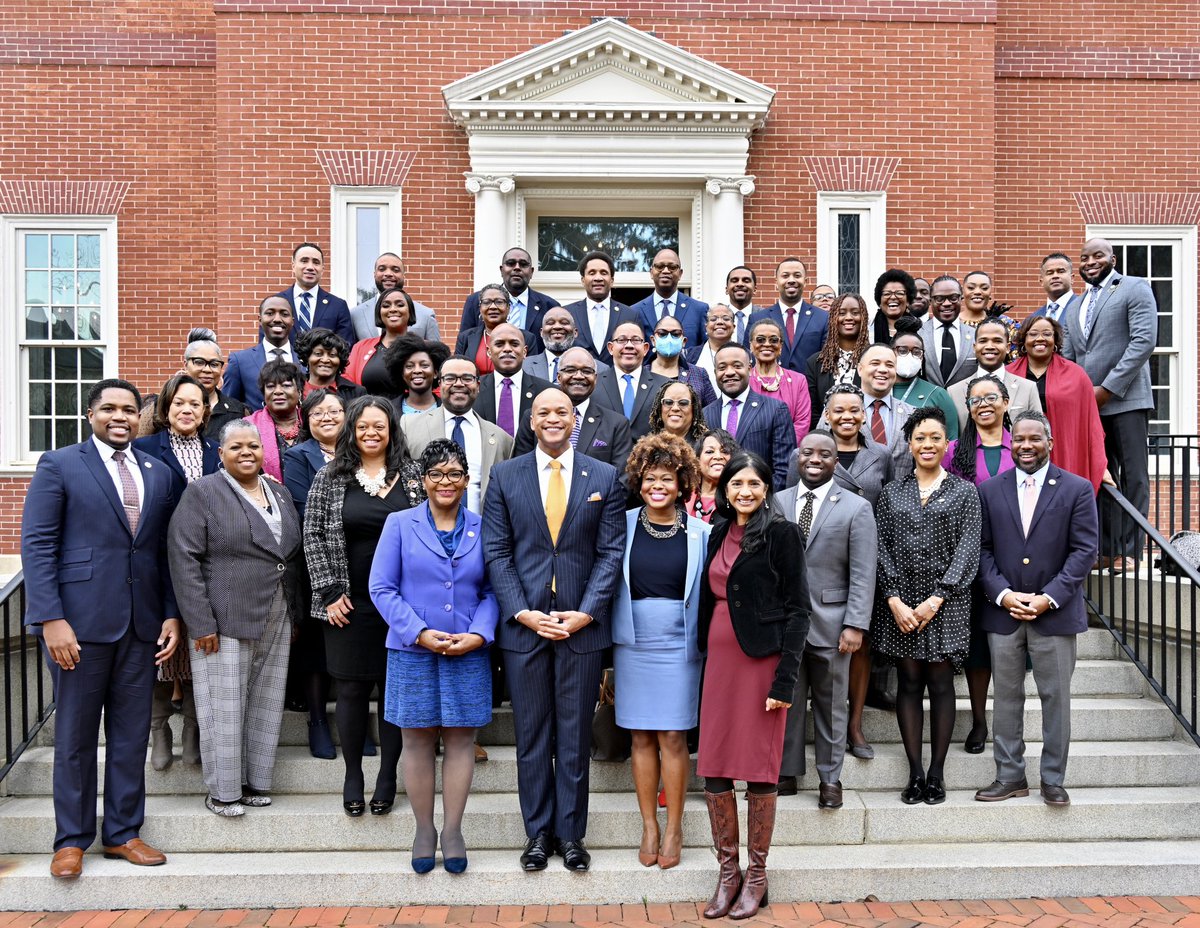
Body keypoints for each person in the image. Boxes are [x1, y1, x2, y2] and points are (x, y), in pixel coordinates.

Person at [21, 379, 181, 879]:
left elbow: (162, 553)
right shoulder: (60, 464)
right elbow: (38, 546)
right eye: (108, 408)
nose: (120, 417)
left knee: (131, 735)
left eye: (129, 410)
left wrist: (172, 612)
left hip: (141, 625)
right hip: (78, 626)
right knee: (74, 736)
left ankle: (123, 833)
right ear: (90, 414)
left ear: (140, 418)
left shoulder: (158, 472)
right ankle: (70, 840)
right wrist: (50, 619)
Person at [482, 388, 626, 873]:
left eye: (561, 411)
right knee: (532, 736)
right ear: (531, 418)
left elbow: (610, 553)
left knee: (573, 736)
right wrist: (521, 611)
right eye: (543, 411)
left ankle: (571, 834)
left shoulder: (603, 476)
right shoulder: (506, 475)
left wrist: (586, 612)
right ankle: (537, 833)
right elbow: (497, 552)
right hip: (525, 630)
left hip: (581, 631)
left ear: (574, 419)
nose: (552, 419)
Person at [370, 439, 500, 872]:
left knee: (462, 739)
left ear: (466, 480)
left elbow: (492, 590)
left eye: (454, 474)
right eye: (437, 474)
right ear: (423, 481)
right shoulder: (399, 524)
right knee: (417, 739)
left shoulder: (483, 527)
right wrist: (419, 632)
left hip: (467, 649)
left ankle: (453, 830)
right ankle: (424, 828)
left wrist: (479, 635)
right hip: (412, 650)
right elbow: (381, 588)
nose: (446, 482)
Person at [167, 419, 302, 816]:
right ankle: (223, 792)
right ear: (221, 454)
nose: (247, 452)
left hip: (276, 611)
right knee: (223, 706)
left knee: (266, 699)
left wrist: (294, 613)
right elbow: (183, 558)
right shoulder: (203, 493)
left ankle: (255, 781)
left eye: (254, 446)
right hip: (223, 617)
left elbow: (288, 553)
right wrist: (201, 622)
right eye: (237, 446)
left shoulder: (277, 491)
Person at [697, 451, 810, 920]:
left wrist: (785, 679)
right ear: (724, 489)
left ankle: (758, 874)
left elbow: (799, 609)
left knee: (761, 772)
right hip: (720, 666)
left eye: (754, 484)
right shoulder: (720, 531)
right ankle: (729, 873)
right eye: (736, 484)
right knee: (716, 768)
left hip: (762, 666)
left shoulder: (782, 534)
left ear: (767, 490)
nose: (744, 492)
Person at [303, 396, 424, 816]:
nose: (371, 433)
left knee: (395, 691)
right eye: (362, 427)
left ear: (392, 430)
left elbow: (429, 531)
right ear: (351, 431)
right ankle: (353, 773)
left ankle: (388, 775)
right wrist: (329, 592)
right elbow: (313, 536)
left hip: (402, 607)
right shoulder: (330, 476)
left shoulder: (412, 476)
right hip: (347, 605)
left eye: (380, 426)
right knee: (352, 690)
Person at [974, 412, 1099, 807]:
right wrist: (1004, 594)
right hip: (1004, 613)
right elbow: (982, 550)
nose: (1026, 445)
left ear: (1050, 442)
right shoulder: (990, 490)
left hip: (1056, 614)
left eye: (1034, 439)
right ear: (1011, 443)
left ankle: (1052, 779)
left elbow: (1084, 551)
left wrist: (1049, 597)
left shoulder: (1076, 489)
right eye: (1020, 439)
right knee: (1006, 698)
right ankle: (1010, 776)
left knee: (1055, 698)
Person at [873, 407, 981, 806]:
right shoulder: (892, 493)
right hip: (900, 603)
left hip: (946, 603)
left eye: (935, 437)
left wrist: (938, 598)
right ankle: (914, 771)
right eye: (920, 438)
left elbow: (969, 549)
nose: (928, 445)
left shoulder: (964, 492)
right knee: (909, 683)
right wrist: (895, 600)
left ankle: (937, 773)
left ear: (946, 443)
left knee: (940, 685)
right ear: (910, 443)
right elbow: (879, 547)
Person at [614, 434, 710, 870]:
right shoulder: (623, 523)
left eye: (667, 479)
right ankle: (648, 824)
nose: (658, 485)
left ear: (682, 483)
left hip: (680, 643)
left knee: (672, 736)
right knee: (639, 735)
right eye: (650, 478)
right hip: (633, 642)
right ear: (639, 480)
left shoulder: (702, 533)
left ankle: (675, 826)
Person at [777, 432, 877, 807]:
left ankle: (830, 779)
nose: (815, 459)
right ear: (797, 458)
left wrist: (855, 624)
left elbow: (864, 572)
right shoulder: (777, 502)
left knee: (832, 705)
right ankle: (786, 773)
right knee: (785, 700)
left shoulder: (855, 507)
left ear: (836, 462)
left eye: (825, 454)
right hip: (785, 625)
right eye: (808, 452)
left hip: (833, 624)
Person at [132, 373, 221, 771]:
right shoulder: (143, 448)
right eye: (179, 403)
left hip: (209, 566)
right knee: (164, 648)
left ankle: (193, 730)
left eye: (195, 404)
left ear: (206, 411)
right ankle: (158, 728)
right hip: (157, 561)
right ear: (166, 409)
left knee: (200, 649)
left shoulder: (216, 451)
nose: (187, 409)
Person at [1061, 237, 1157, 571]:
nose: (1090, 261)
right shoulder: (1075, 305)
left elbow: (1143, 342)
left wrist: (1109, 388)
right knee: (1100, 476)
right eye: (1084, 257)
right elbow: (1070, 358)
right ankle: (1106, 548)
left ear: (1112, 259)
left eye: (1097, 255)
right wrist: (1076, 396)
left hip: (1126, 400)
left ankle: (1129, 551)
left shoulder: (1133, 288)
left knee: (1133, 476)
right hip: (1089, 407)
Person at [945, 374, 1018, 755]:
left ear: (1006, 403)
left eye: (992, 397)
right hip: (967, 559)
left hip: (1013, 558)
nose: (984, 404)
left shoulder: (1020, 447)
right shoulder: (953, 450)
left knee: (1006, 644)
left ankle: (1009, 722)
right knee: (977, 648)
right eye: (975, 400)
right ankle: (978, 721)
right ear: (968, 409)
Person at [282, 389, 348, 760]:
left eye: (335, 410)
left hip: (356, 564)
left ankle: (349, 720)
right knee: (315, 647)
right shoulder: (298, 456)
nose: (327, 416)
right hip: (314, 565)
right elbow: (304, 508)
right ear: (306, 419)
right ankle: (318, 721)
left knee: (348, 644)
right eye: (319, 412)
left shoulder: (359, 454)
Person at [401, 357, 514, 514]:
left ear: (478, 385)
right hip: (426, 530)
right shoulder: (409, 427)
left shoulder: (502, 439)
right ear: (439, 384)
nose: (459, 384)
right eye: (450, 378)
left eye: (467, 378)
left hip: (482, 531)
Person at [1008, 315, 1108, 491]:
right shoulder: (1008, 375)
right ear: (1024, 340)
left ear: (1055, 340)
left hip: (1065, 450)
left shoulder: (1077, 376)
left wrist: (1101, 465)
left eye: (1047, 334)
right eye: (1033, 334)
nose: (1040, 338)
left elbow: (1092, 425)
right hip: (1020, 453)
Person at [513, 347, 634, 468]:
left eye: (586, 371)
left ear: (596, 379)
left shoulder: (616, 424)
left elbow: (620, 477)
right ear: (559, 377)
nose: (579, 376)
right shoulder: (535, 416)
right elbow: (520, 468)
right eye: (570, 370)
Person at [703, 344, 796, 491]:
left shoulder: (776, 409)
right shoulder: (705, 414)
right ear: (715, 372)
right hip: (716, 506)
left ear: (750, 369)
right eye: (722, 368)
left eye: (737, 366)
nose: (729, 372)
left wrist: (763, 501)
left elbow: (783, 469)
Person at [948, 317, 1041, 431]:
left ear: (1007, 347)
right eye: (983, 341)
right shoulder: (954, 392)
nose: (990, 346)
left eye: (997, 341)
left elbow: (1039, 433)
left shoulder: (1028, 388)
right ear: (974, 347)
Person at [458, 246, 560, 345]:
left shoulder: (550, 306)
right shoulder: (476, 300)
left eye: (523, 264)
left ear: (531, 272)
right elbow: (465, 342)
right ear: (501, 270)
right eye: (511, 263)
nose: (517, 268)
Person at [593, 321, 671, 442]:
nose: (629, 345)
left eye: (636, 340)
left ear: (645, 348)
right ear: (610, 348)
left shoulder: (664, 387)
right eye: (622, 340)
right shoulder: (593, 385)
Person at [473, 323, 553, 437]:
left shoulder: (546, 391)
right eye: (499, 344)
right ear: (489, 352)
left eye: (514, 344)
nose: (507, 349)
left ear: (525, 352)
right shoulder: (473, 389)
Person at [561, 250, 639, 365]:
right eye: (592, 273)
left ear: (611, 281)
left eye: (603, 273)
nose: (598, 278)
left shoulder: (630, 315)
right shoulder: (567, 314)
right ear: (583, 280)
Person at [750, 257, 828, 372]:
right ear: (776, 282)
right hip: (767, 388)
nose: (791, 280)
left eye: (797, 275)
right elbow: (749, 359)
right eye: (785, 276)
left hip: (809, 388)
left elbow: (826, 360)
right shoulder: (757, 318)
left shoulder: (823, 318)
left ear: (805, 281)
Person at [890, 318, 960, 440]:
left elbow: (952, 442)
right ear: (891, 353)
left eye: (916, 352)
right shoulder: (878, 391)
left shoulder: (938, 395)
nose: (909, 356)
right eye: (902, 351)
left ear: (922, 357)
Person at [804, 293, 870, 424]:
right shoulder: (815, 362)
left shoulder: (873, 358)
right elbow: (813, 411)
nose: (849, 318)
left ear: (864, 318)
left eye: (855, 313)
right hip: (825, 438)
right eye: (842, 313)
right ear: (833, 318)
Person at [222, 295, 297, 410]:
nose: (277, 319)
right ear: (260, 320)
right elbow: (229, 408)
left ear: (292, 321)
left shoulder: (306, 360)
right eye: (270, 313)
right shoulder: (240, 361)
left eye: (284, 314)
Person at [348, 252, 441, 342]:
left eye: (395, 270)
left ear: (403, 276)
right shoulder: (355, 315)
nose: (388, 273)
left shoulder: (426, 315)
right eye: (382, 269)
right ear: (374, 274)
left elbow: (436, 354)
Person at [274, 242, 354, 344]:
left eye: (316, 262)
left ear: (322, 269)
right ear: (293, 266)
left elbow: (345, 346)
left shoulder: (338, 306)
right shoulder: (276, 303)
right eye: (304, 261)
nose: (310, 267)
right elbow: (266, 345)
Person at [748, 318, 811, 446]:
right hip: (750, 453)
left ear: (781, 346)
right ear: (751, 345)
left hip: (786, 453)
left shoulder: (798, 380)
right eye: (760, 340)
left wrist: (781, 448)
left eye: (774, 340)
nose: (767, 344)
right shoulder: (743, 380)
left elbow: (802, 422)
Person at [180, 327, 249, 439]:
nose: (207, 369)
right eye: (199, 362)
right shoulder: (164, 407)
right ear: (185, 364)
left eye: (214, 364)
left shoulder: (238, 411)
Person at [858, 345, 916, 477]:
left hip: (899, 495)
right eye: (875, 363)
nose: (883, 370)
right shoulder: (838, 411)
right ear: (860, 369)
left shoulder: (911, 414)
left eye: (890, 365)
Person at [633, 248, 709, 347]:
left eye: (672, 267)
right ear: (651, 272)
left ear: (680, 273)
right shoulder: (635, 311)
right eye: (660, 266)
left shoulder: (699, 309)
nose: (665, 271)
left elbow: (706, 349)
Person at [454, 284, 536, 374]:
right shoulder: (465, 337)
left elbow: (531, 373)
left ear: (508, 308)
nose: (493, 307)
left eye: (499, 302)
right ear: (480, 308)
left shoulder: (526, 338)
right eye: (486, 302)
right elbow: (457, 370)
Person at [345, 287, 415, 390]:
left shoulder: (424, 348)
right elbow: (347, 383)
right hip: (367, 405)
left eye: (400, 305)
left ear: (410, 311)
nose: (393, 309)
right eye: (386, 305)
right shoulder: (360, 347)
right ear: (379, 312)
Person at [247, 360, 305, 482]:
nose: (278, 391)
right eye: (271, 386)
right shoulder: (247, 427)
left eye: (286, 385)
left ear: (299, 392)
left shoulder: (313, 421)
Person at [647, 311, 717, 408]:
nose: (669, 338)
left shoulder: (699, 374)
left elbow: (713, 411)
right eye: (662, 333)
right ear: (653, 340)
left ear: (684, 341)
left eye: (675, 334)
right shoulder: (641, 373)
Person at [919, 276, 977, 389]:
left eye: (953, 298)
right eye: (939, 298)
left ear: (961, 299)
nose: (946, 303)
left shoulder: (975, 335)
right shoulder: (918, 334)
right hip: (927, 403)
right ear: (931, 301)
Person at [383, 333, 452, 416]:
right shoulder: (387, 411)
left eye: (424, 365)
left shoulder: (450, 410)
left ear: (436, 373)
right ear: (402, 373)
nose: (417, 370)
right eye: (409, 366)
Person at [524, 305, 591, 382]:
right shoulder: (523, 366)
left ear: (575, 332)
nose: (557, 327)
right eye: (550, 323)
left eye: (564, 323)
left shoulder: (596, 368)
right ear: (541, 333)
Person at [297, 327, 365, 400]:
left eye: (332, 355)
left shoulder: (356, 393)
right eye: (318, 353)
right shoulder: (295, 388)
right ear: (307, 357)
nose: (325, 360)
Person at [686, 428, 736, 523]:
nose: (718, 456)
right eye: (710, 452)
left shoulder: (739, 498)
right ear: (697, 460)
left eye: (725, 451)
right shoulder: (682, 496)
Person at [686, 303, 736, 382]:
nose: (719, 322)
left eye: (726, 319)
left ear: (733, 326)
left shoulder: (745, 354)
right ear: (706, 326)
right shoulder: (689, 355)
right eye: (713, 319)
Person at [649, 381, 707, 446]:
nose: (675, 408)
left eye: (683, 403)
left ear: (693, 408)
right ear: (660, 408)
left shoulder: (706, 445)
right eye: (668, 402)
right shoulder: (648, 446)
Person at [1031, 252, 1078, 325]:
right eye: (1050, 273)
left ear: (1072, 278)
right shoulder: (1033, 319)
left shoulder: (1084, 309)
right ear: (1041, 281)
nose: (1055, 276)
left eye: (1061, 271)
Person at [872, 269, 917, 343]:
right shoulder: (867, 329)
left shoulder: (920, 329)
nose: (893, 297)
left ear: (908, 301)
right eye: (887, 293)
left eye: (899, 293)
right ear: (880, 301)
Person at [725, 265, 760, 341]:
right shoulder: (715, 318)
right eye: (734, 280)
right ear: (727, 289)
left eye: (746, 281)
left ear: (755, 289)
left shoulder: (765, 317)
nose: (740, 284)